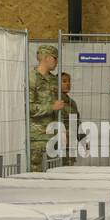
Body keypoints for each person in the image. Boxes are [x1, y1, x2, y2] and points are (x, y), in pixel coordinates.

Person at [28, 43, 66, 171]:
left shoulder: (54, 80)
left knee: (53, 174)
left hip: (53, 136)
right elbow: (29, 108)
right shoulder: (32, 79)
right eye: (55, 58)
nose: (57, 62)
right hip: (37, 139)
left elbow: (61, 108)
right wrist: (51, 107)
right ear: (47, 58)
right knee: (36, 176)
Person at [60, 71, 82, 165]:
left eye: (69, 81)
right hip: (57, 145)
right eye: (64, 81)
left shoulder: (72, 102)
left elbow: (77, 123)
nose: (68, 84)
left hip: (70, 146)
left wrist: (83, 138)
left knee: (68, 170)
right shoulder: (54, 101)